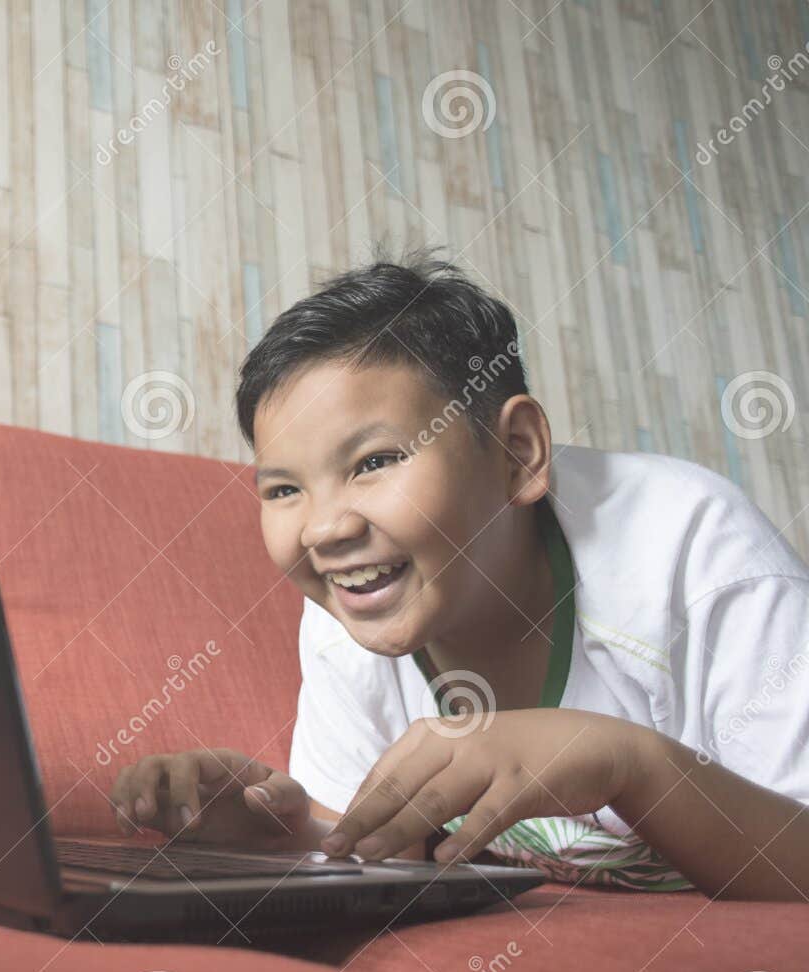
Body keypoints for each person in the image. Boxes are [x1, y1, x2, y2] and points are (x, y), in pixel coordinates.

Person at [107, 253, 809, 899]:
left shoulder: (696, 557)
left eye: (375, 462)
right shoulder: (346, 612)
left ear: (519, 453)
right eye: (283, 490)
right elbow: (383, 848)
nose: (323, 529)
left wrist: (628, 763)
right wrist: (273, 837)